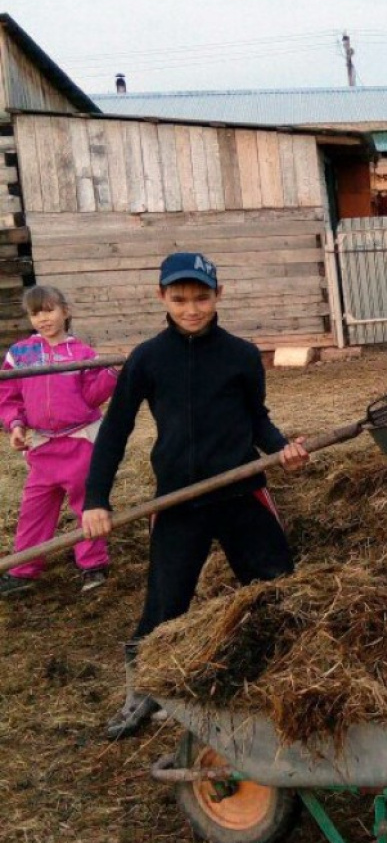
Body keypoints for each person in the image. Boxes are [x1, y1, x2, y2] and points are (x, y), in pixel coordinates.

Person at [81, 252, 310, 739]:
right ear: (161, 297)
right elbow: (114, 430)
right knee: (165, 603)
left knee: (278, 586)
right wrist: (96, 498)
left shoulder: (242, 355)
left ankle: (295, 675)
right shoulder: (147, 359)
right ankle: (141, 690)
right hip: (178, 502)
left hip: (242, 490)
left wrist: (280, 448)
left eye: (201, 298)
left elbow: (257, 418)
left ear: (218, 296)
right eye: (180, 298)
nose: (191, 308)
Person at [0, 285, 118, 595]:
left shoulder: (81, 353)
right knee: (34, 507)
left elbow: (91, 398)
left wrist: (109, 376)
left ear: (65, 311)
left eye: (49, 310)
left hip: (79, 442)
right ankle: (24, 568)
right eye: (35, 313)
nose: (43, 318)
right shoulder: (20, 354)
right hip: (41, 446)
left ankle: (93, 564)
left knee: (86, 505)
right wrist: (15, 425)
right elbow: (9, 394)